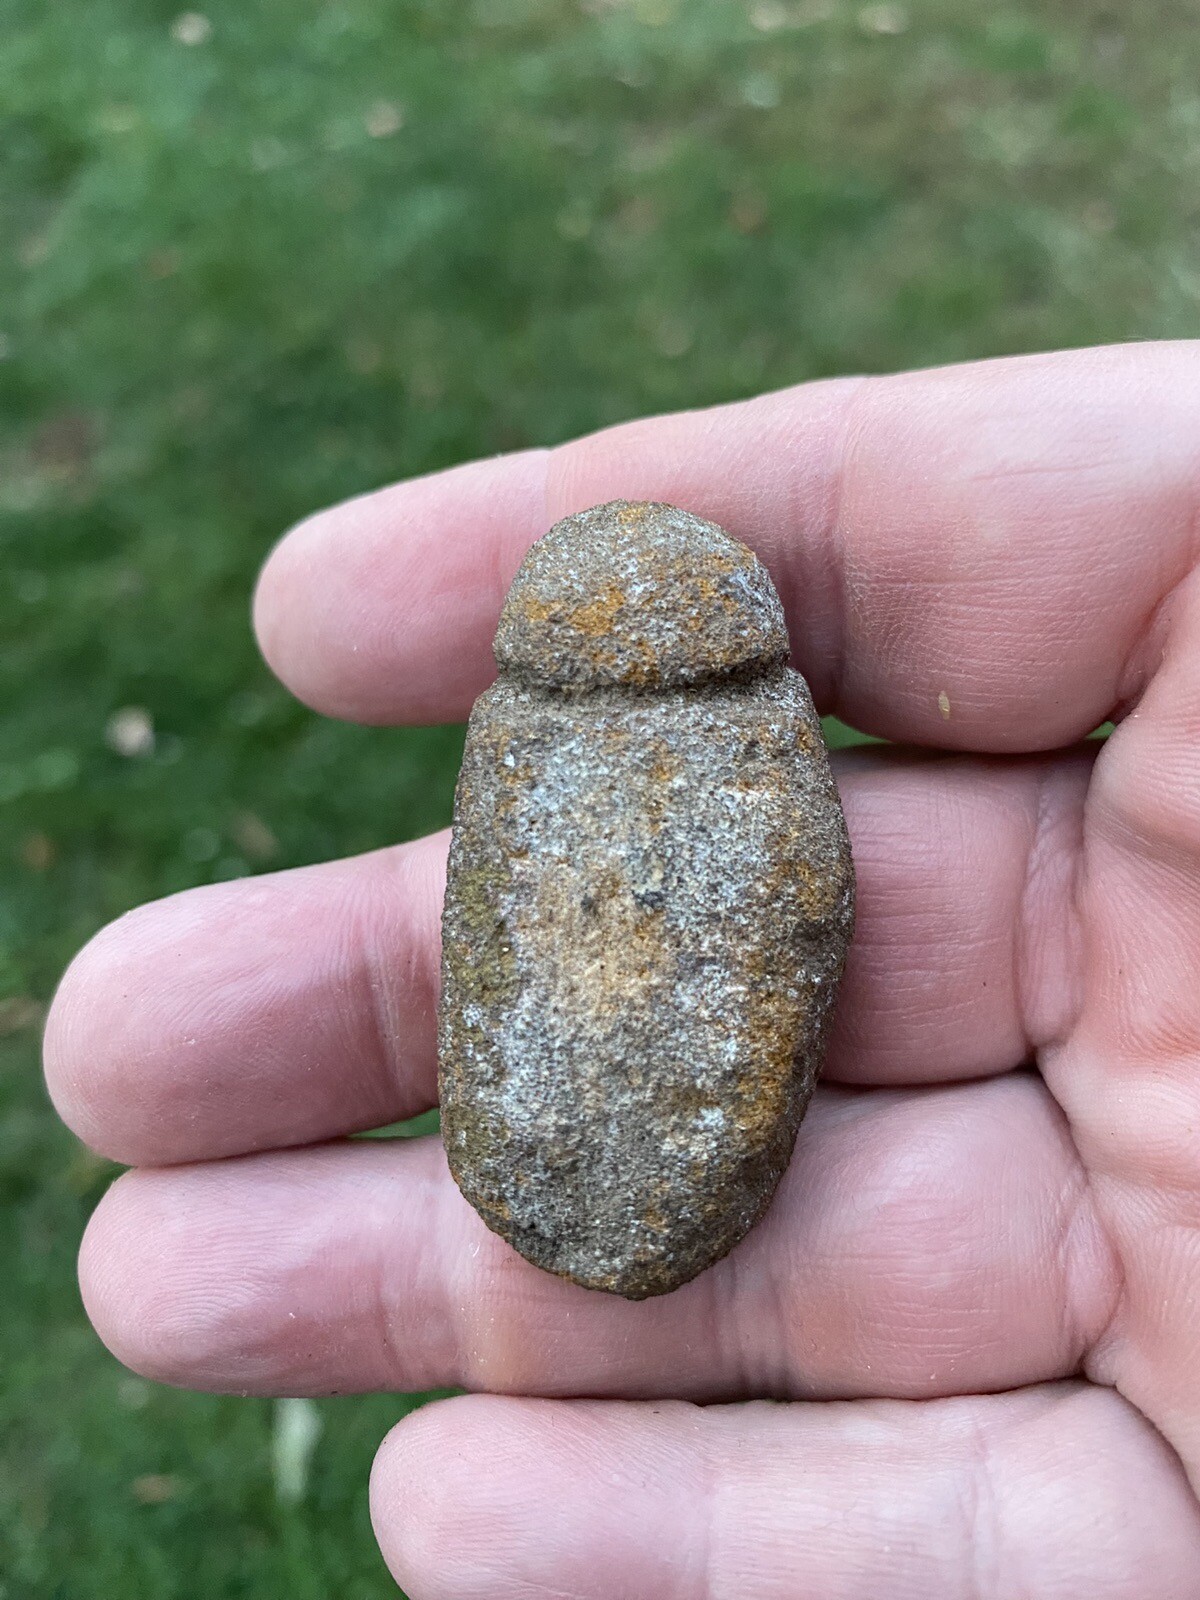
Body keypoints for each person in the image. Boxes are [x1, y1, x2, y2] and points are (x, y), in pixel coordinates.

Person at [44, 342, 1200, 1596]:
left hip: (608, 1147)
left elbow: (787, 901)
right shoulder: (653, 734)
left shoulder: (655, 733)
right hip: (570, 1151)